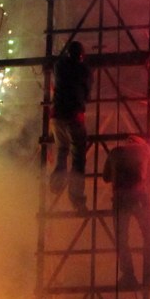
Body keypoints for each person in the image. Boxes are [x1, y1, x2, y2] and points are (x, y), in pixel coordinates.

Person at [103, 135, 150, 289]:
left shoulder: (115, 152)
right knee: (149, 236)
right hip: (139, 197)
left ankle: (129, 275)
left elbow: (106, 177)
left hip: (120, 198)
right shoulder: (144, 150)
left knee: (121, 239)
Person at [50, 41, 92, 213]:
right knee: (78, 156)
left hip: (57, 114)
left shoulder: (59, 66)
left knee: (62, 149)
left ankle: (56, 184)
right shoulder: (84, 70)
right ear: (81, 55)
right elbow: (87, 94)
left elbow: (57, 63)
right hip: (74, 114)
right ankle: (76, 198)